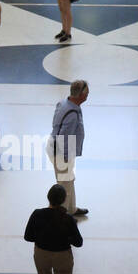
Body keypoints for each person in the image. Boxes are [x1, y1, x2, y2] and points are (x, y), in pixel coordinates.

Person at [47, 79, 88, 218]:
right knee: (64, 187)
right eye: (86, 92)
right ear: (80, 95)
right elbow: (64, 137)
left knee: (69, 181)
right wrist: (64, 157)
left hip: (57, 147)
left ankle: (71, 209)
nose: (88, 95)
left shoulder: (64, 103)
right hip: (62, 151)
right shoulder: (72, 114)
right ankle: (62, 217)